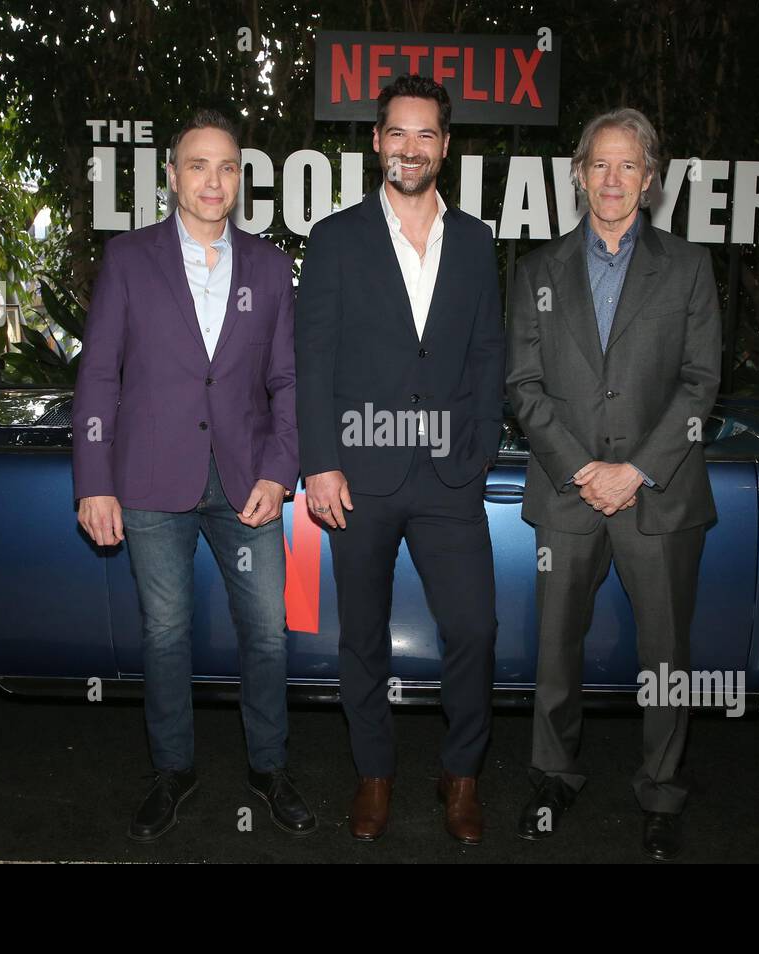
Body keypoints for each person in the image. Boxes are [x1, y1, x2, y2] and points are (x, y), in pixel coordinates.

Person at [72, 109, 315, 842]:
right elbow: (98, 378)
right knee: (167, 634)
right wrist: (93, 480)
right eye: (199, 165)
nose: (215, 180)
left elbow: (288, 382)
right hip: (148, 479)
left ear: (240, 180)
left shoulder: (271, 267)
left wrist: (279, 473)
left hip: (247, 483)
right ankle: (173, 770)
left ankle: (268, 768)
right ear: (172, 176)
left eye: (228, 166)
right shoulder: (129, 259)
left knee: (269, 634)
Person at [506, 108, 721, 860]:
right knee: (555, 652)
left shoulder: (689, 267)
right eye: (599, 164)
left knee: (665, 657)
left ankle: (662, 795)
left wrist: (635, 470)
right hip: (566, 494)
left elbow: (701, 385)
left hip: (659, 494)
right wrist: (578, 468)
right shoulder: (535, 271)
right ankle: (553, 777)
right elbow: (524, 386)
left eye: (629, 165)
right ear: (577, 174)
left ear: (651, 179)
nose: (612, 179)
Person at [295, 74, 505, 845]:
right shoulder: (335, 238)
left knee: (475, 631)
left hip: (451, 475)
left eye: (426, 134)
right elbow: (311, 360)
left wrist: (479, 450)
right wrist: (319, 462)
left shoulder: (478, 241)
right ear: (377, 142)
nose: (410, 147)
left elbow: (487, 353)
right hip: (359, 474)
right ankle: (375, 774)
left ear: (445, 147)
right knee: (362, 638)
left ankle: (461, 777)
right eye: (397, 132)